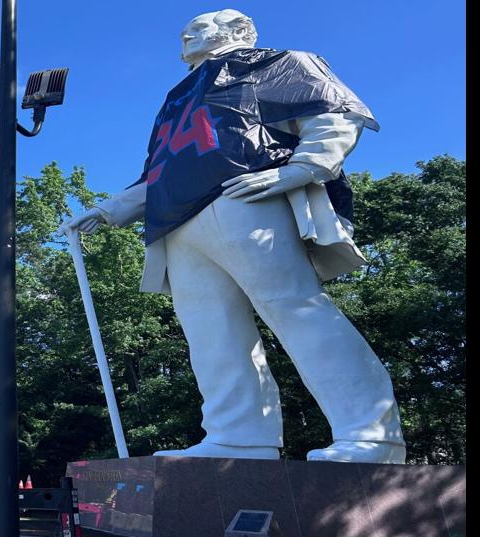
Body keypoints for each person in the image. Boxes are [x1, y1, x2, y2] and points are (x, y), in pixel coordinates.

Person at [62, 9, 406, 464]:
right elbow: (166, 169)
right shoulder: (178, 98)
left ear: (239, 31)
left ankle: (372, 435)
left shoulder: (278, 63)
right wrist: (108, 210)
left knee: (296, 309)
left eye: (201, 26)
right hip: (177, 221)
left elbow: (334, 111)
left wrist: (304, 167)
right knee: (210, 332)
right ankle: (238, 437)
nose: (187, 33)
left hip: (245, 197)